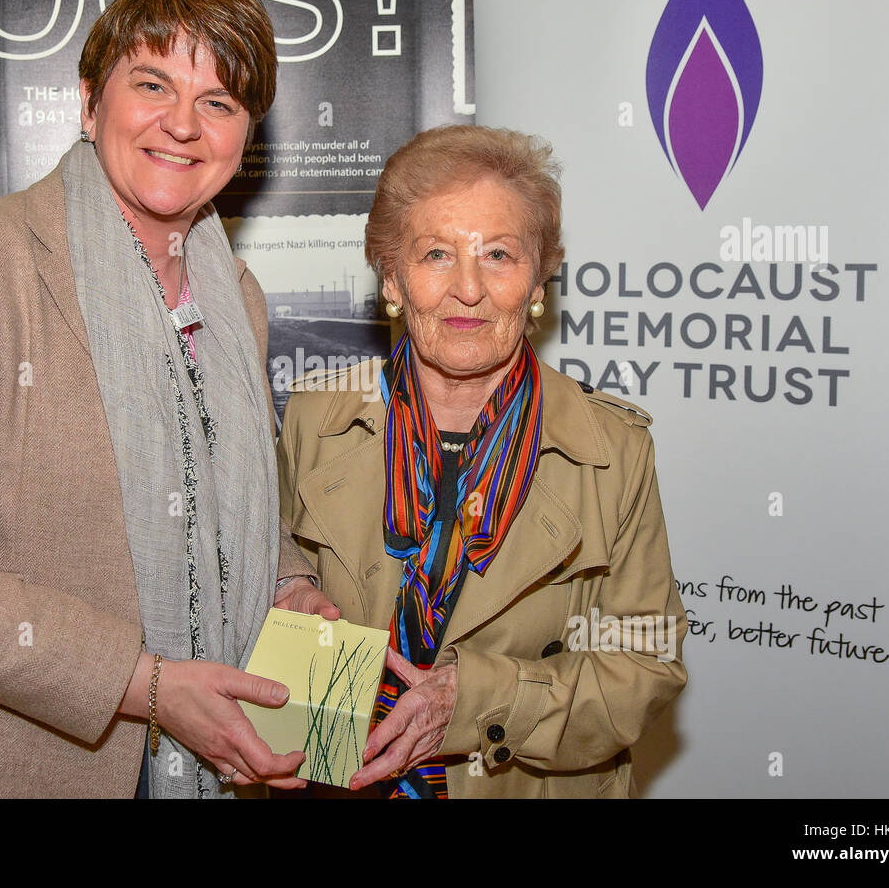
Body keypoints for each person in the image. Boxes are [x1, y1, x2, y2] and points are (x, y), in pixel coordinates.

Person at [0, 0, 336, 799]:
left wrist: (290, 586)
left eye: (219, 103)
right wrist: (151, 687)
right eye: (152, 85)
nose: (182, 123)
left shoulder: (233, 291)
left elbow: (223, 494)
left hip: (211, 762)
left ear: (246, 135)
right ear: (89, 100)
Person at [277, 126, 688, 799]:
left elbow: (646, 665)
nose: (467, 289)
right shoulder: (317, 418)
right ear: (393, 277)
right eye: (436, 253)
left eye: (498, 254)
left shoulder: (612, 450)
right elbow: (288, 606)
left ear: (537, 280)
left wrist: (476, 701)